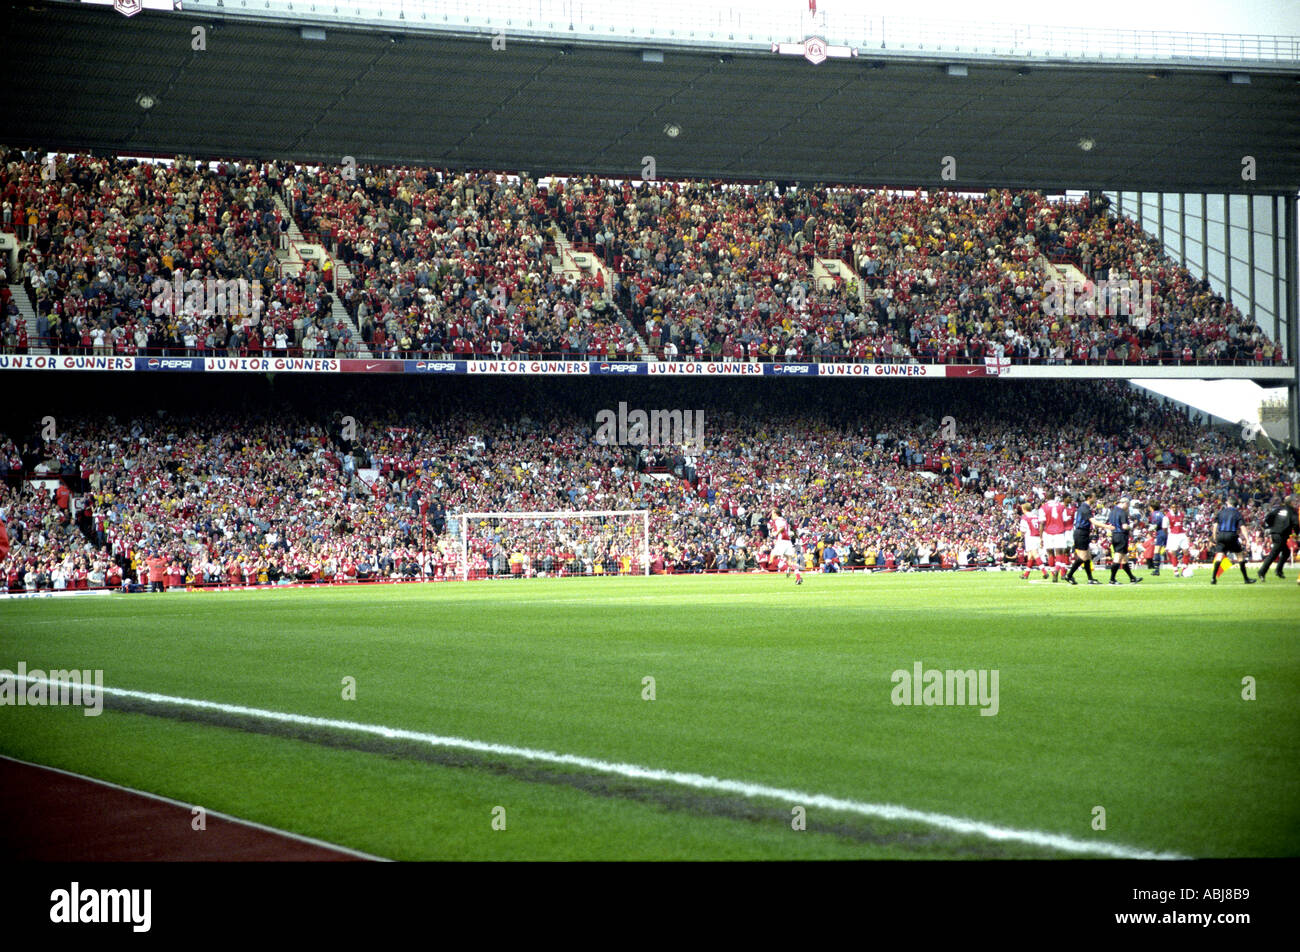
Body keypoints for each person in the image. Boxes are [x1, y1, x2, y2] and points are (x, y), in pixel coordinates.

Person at [1210, 496, 1255, 585]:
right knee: (1239, 556)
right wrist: (1247, 540)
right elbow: (1242, 527)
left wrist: (1214, 536)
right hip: (1231, 535)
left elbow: (1215, 526)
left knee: (1219, 556)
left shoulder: (1221, 512)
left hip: (1221, 535)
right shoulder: (1237, 513)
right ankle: (1246, 579)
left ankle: (1213, 578)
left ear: (1228, 503)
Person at [1065, 489, 1103, 585]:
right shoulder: (1085, 508)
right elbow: (1093, 521)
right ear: (1089, 498)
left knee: (1088, 556)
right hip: (1081, 533)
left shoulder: (1085, 507)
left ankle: (1090, 579)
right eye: (1094, 497)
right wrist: (1107, 526)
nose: (1095, 498)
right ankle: (1069, 575)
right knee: (1083, 557)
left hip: (1083, 532)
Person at [1257, 494, 1298, 581]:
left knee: (1286, 552)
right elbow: (1296, 524)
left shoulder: (1279, 509)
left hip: (1275, 533)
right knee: (1273, 554)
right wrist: (1297, 534)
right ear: (1291, 503)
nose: (1296, 502)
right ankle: (1262, 571)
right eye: (1295, 501)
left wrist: (1272, 526)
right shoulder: (1292, 512)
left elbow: (1268, 517)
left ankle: (1278, 570)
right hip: (1282, 535)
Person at [1106, 497, 1141, 585]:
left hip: (1114, 535)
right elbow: (1124, 526)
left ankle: (1132, 578)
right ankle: (1112, 579)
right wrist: (1132, 526)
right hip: (1121, 535)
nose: (1128, 507)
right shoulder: (1122, 512)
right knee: (1118, 557)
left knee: (1124, 559)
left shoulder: (1112, 512)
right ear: (1125, 503)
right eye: (1128, 505)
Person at [1041, 492, 1070, 582]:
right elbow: (1065, 519)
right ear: (1054, 497)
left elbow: (1042, 523)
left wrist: (1041, 537)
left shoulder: (1043, 507)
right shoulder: (1061, 506)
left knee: (1050, 553)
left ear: (1046, 498)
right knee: (1059, 552)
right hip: (1059, 532)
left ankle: (1053, 572)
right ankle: (1058, 569)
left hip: (1048, 533)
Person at [1019, 502, 1047, 580]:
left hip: (1030, 537)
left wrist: (1021, 535)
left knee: (1035, 554)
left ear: (1024, 509)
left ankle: (1044, 571)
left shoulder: (1024, 517)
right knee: (1030, 556)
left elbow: (1023, 530)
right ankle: (1026, 574)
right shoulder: (1035, 516)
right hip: (1038, 536)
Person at [1147, 501, 1168, 576]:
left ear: (1152, 507)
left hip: (1161, 532)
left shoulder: (1154, 514)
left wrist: (1150, 529)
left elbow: (1156, 524)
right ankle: (1183, 566)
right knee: (1171, 550)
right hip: (1166, 532)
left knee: (1156, 551)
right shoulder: (1161, 513)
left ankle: (1156, 570)